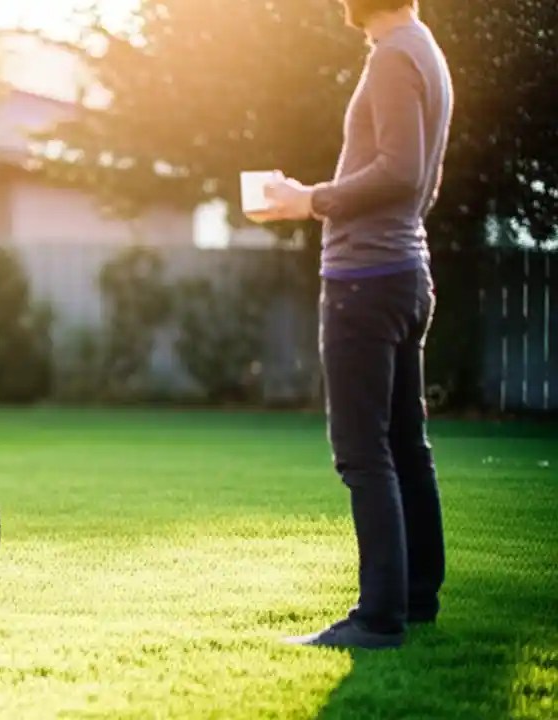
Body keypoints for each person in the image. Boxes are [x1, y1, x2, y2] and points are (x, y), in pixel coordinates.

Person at [261, 0, 454, 650]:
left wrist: (309, 201)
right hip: (401, 271)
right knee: (404, 444)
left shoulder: (395, 55)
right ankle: (417, 598)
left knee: (364, 451)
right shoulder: (422, 49)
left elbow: (401, 172)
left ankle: (379, 618)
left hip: (365, 283)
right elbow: (422, 179)